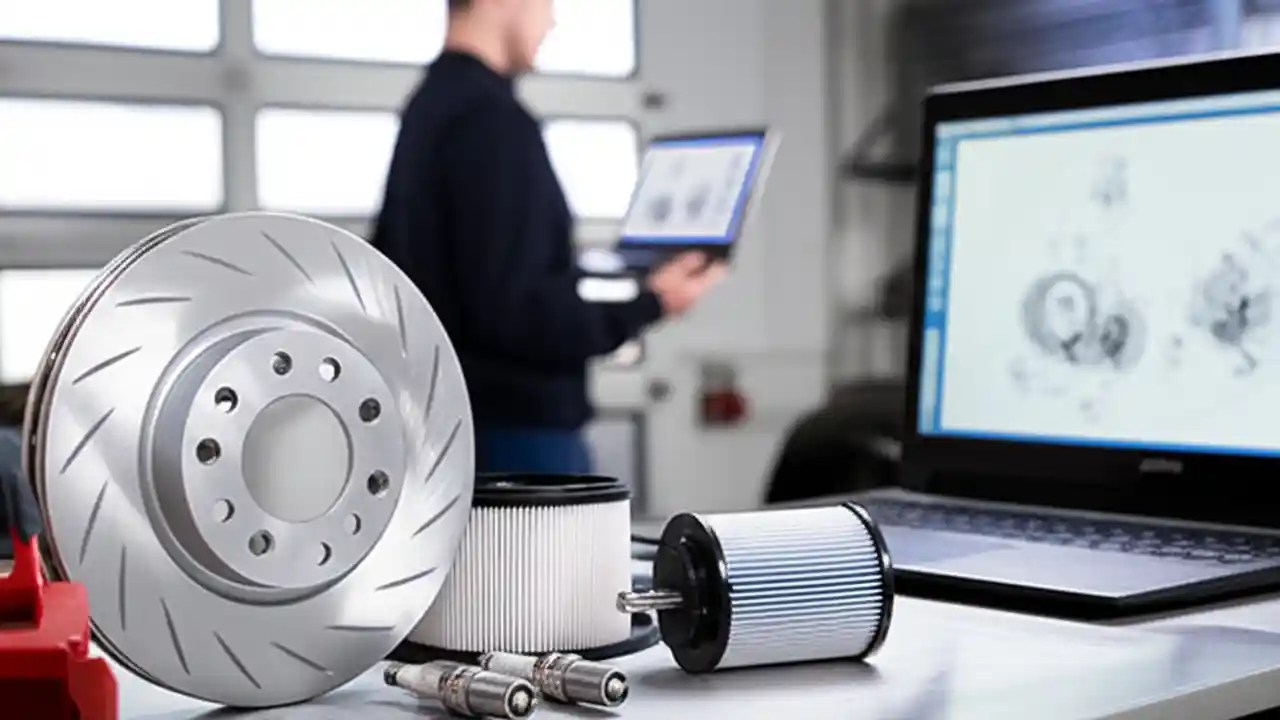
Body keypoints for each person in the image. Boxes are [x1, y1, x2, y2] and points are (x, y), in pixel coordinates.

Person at [373, 0, 725, 475]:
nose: (552, 20)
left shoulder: (431, 106)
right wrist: (651, 304)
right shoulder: (492, 121)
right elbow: (516, 312)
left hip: (451, 424)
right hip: (515, 437)